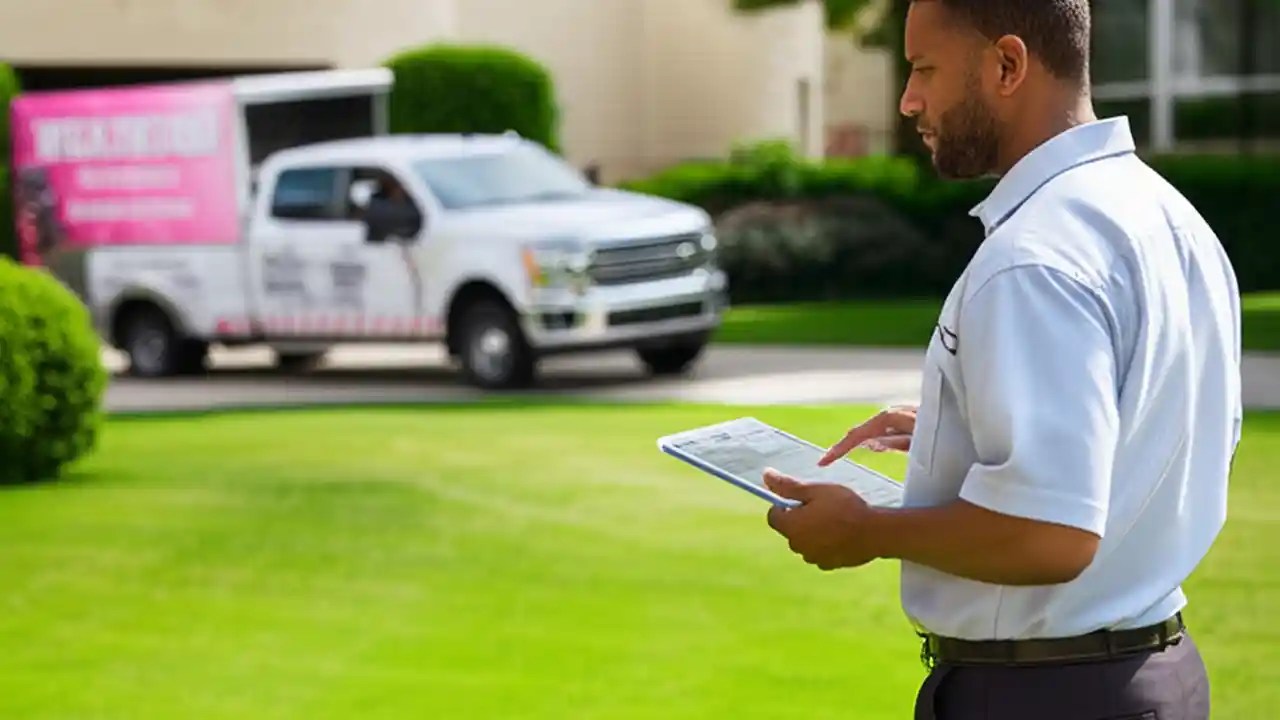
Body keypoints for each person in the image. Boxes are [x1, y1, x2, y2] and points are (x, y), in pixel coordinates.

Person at [761, 1, 1242, 719]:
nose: (908, 99)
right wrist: (960, 418)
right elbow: (1148, 419)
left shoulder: (1034, 256)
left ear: (1008, 65)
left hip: (1044, 695)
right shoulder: (1169, 218)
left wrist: (865, 531)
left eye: (924, 68)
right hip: (1156, 675)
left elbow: (1049, 537)